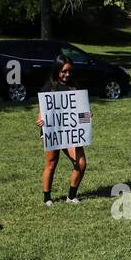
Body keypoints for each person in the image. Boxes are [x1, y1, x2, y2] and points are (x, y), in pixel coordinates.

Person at [35, 54, 89, 204]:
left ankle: (71, 196)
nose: (67, 74)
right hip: (53, 131)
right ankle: (47, 198)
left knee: (81, 163)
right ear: (57, 70)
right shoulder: (49, 88)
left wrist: (87, 116)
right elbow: (42, 111)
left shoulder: (75, 87)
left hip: (70, 131)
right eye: (64, 71)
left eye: (69, 71)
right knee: (52, 163)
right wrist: (40, 120)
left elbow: (81, 113)